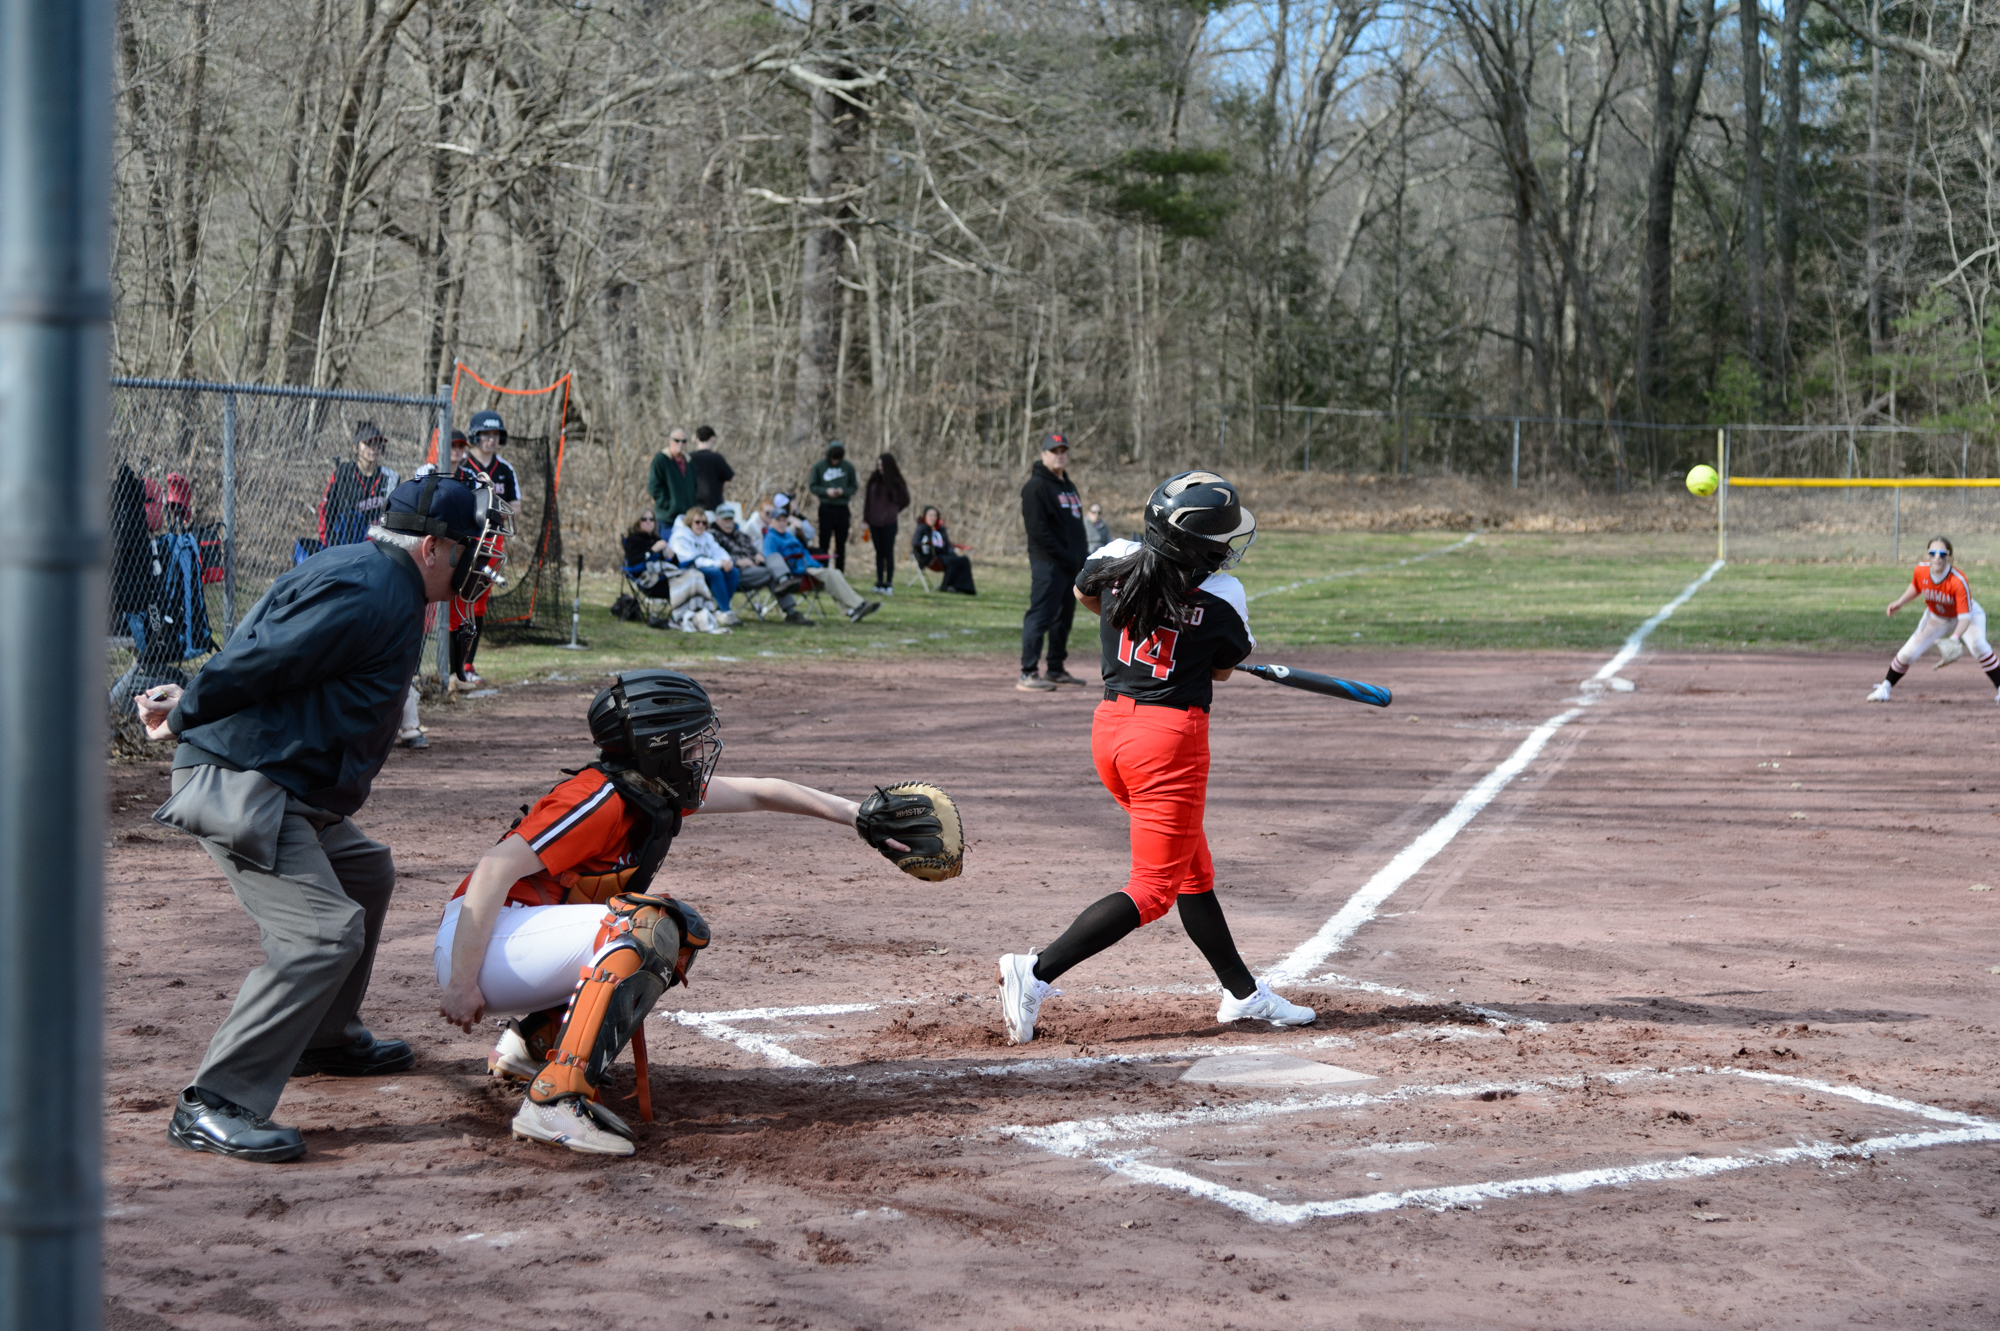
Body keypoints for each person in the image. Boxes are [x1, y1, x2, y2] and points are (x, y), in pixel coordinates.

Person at [135, 475, 498, 1162]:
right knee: (322, 934)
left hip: (279, 780)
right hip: (240, 782)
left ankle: (323, 1039)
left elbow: (275, 642)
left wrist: (199, 698)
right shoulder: (372, 587)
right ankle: (215, 1100)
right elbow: (269, 652)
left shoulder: (377, 577)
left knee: (365, 872)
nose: (475, 561)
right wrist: (188, 709)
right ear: (429, 546)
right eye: (464, 549)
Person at [435, 670, 916, 1156]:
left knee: (675, 928)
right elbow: (494, 868)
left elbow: (761, 791)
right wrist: (461, 980)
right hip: (482, 941)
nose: (700, 754)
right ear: (657, 747)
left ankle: (533, 1046)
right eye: (690, 743)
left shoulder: (649, 792)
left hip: (514, 941)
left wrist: (859, 817)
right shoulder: (599, 799)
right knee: (645, 925)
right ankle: (554, 1101)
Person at [996, 470, 1314, 1045]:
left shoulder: (1114, 557)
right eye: (1218, 538)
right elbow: (1220, 668)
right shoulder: (1223, 596)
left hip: (1112, 732)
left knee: (1193, 871)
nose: (1226, 547)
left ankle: (1243, 994)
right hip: (1169, 743)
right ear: (1196, 544)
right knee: (1153, 890)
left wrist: (1153, 619)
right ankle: (1035, 972)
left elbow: (1086, 597)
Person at [1866, 536, 2000, 702]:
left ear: (1949, 556)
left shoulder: (1958, 580)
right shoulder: (1921, 570)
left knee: (1979, 646)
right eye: (1933, 553)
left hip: (1966, 617)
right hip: (1936, 617)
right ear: (1928, 555)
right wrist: (1900, 602)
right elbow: (1916, 585)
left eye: (1942, 553)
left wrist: (1955, 638)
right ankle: (1885, 688)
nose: (1937, 557)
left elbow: (1965, 617)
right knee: (1908, 652)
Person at [452, 410, 521, 687]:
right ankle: (453, 666)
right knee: (457, 598)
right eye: (485, 435)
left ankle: (468, 663)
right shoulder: (463, 464)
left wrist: (491, 506)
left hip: (493, 539)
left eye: (495, 435)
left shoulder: (505, 468)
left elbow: (515, 506)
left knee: (478, 603)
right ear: (475, 436)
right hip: (466, 538)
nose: (491, 440)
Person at [1018, 431, 1088, 692]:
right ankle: (1028, 672)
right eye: (1054, 451)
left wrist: (1080, 557)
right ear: (1043, 454)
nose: (1059, 456)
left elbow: (1075, 526)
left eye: (1063, 451)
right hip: (1048, 563)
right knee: (1041, 615)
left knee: (1064, 618)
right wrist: (1065, 556)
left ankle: (1055, 669)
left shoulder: (1068, 486)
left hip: (1071, 564)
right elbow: (1038, 531)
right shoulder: (1035, 487)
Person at [766, 506, 879, 623]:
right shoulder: (770, 538)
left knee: (833, 577)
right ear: (772, 522)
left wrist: (816, 564)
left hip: (809, 568)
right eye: (778, 520)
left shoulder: (790, 535)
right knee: (831, 574)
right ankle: (859, 604)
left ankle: (852, 611)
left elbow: (805, 553)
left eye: (784, 520)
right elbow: (772, 559)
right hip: (796, 573)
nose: (782, 523)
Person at [714, 503, 810, 625]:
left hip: (756, 569)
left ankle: (784, 581)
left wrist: (757, 555)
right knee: (772, 573)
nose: (728, 522)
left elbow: (752, 549)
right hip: (736, 572)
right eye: (725, 519)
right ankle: (790, 610)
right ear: (717, 520)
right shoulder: (713, 535)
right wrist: (737, 561)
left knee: (773, 556)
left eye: (731, 519)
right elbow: (715, 556)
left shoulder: (740, 535)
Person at [317, 421, 400, 548]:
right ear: (355, 447)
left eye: (377, 444)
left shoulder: (390, 478)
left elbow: (396, 516)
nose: (374, 448)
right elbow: (326, 509)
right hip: (347, 544)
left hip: (378, 546)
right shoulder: (343, 475)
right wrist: (325, 542)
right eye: (368, 444)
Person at [669, 506, 742, 626]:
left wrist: (727, 561)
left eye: (704, 522)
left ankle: (721, 610)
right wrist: (718, 564)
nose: (701, 525)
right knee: (715, 573)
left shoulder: (707, 536)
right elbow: (692, 559)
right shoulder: (680, 536)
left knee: (733, 572)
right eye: (697, 522)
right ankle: (725, 610)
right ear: (689, 522)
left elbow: (718, 550)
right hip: (686, 570)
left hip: (706, 567)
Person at [863, 453, 911, 595]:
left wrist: (894, 510)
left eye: (882, 465)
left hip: (889, 522)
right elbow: (867, 502)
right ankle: (879, 582)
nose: (880, 468)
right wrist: (865, 519)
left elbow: (905, 500)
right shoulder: (873, 481)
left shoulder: (895, 481)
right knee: (879, 553)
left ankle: (888, 583)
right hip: (874, 521)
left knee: (888, 552)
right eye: (878, 465)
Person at [808, 440, 859, 572]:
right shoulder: (819, 466)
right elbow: (813, 486)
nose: (835, 462)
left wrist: (843, 492)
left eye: (838, 459)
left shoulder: (848, 467)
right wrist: (826, 491)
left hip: (842, 508)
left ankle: (839, 572)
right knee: (824, 541)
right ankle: (823, 571)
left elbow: (853, 487)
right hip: (826, 507)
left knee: (840, 543)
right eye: (833, 459)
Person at [911, 505, 976, 595]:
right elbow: (916, 543)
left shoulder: (941, 529)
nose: (933, 518)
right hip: (931, 557)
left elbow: (947, 544)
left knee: (964, 560)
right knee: (953, 561)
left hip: (944, 554)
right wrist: (927, 545)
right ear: (925, 516)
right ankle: (946, 586)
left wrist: (952, 551)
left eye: (935, 515)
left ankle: (963, 588)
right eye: (930, 515)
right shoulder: (922, 528)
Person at [648, 429, 696, 534]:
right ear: (670, 441)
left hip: (686, 518)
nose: (680, 444)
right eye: (677, 440)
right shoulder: (661, 460)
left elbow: (694, 486)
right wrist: (669, 506)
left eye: (684, 441)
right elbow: (653, 487)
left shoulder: (689, 461)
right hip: (667, 518)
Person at [689, 425, 735, 510]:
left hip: (692, 506)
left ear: (697, 440)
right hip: (713, 505)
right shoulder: (716, 458)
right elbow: (731, 478)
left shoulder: (689, 458)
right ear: (712, 439)